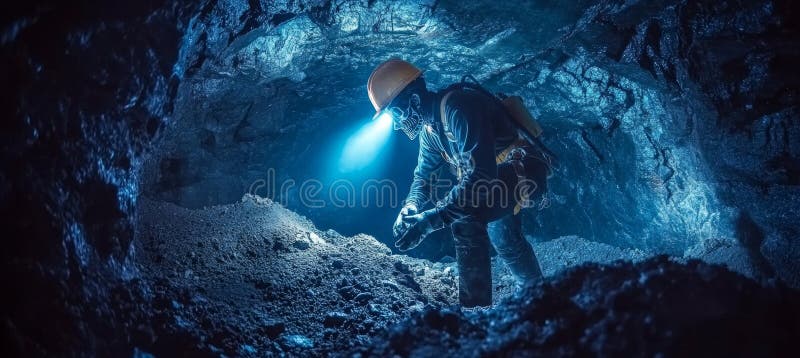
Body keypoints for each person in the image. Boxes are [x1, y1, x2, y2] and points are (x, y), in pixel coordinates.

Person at [367, 59, 552, 307]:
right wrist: (410, 207)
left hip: (525, 169)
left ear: (413, 101)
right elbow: (423, 177)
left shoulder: (457, 107)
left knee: (465, 217)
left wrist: (431, 221)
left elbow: (481, 176)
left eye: (396, 114)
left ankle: (475, 311)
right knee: (504, 238)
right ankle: (538, 295)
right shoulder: (430, 131)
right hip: (497, 179)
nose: (398, 125)